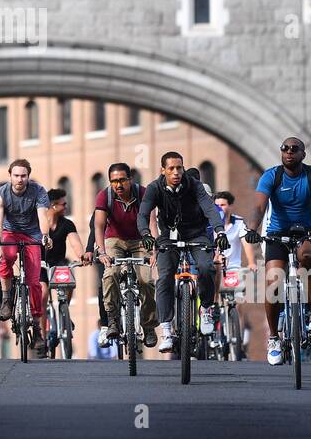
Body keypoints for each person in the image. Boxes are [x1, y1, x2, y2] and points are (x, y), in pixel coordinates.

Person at [243, 137, 311, 367]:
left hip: (305, 230)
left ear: (303, 154)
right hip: (277, 232)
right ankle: (274, 338)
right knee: (274, 281)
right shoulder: (271, 176)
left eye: (294, 149)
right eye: (285, 148)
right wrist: (253, 229)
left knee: (307, 255)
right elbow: (258, 206)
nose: (289, 152)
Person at [137, 152, 228, 353]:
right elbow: (143, 214)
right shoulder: (154, 188)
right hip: (169, 236)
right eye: (171, 168)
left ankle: (205, 308)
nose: (176, 172)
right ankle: (167, 330)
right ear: (163, 170)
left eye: (179, 168)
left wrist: (220, 231)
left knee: (206, 267)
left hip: (197, 234)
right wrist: (145, 234)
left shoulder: (193, 185)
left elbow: (209, 209)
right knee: (164, 278)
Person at [0, 159, 53, 356]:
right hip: (10, 233)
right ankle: (7, 299)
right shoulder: (1, 194)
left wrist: (45, 236)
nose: (20, 179)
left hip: (32, 236)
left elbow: (43, 216)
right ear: (10, 176)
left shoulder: (38, 191)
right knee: (7, 257)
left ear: (28, 176)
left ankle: (37, 328)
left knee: (35, 281)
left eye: (23, 176)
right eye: (16, 175)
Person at [94, 162, 158, 349]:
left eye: (122, 180)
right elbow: (98, 226)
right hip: (114, 239)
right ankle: (112, 320)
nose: (118, 185)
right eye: (114, 181)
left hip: (141, 239)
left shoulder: (143, 193)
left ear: (130, 179)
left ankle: (148, 327)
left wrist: (153, 250)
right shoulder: (104, 196)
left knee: (146, 280)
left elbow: (152, 222)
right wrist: (102, 252)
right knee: (110, 274)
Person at [39, 187, 89, 355]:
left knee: (69, 282)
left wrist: (82, 256)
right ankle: (42, 337)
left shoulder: (67, 224)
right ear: (53, 205)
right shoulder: (39, 224)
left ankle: (64, 312)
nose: (66, 207)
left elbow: (75, 242)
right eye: (63, 204)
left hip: (58, 263)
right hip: (40, 265)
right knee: (43, 294)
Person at [212, 190, 255, 355]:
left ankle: (239, 337)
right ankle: (215, 317)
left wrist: (251, 263)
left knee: (239, 303)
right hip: (216, 265)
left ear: (230, 206)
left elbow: (245, 243)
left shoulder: (238, 223)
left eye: (223, 205)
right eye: (217, 205)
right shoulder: (212, 223)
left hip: (233, 268)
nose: (220, 208)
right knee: (214, 296)